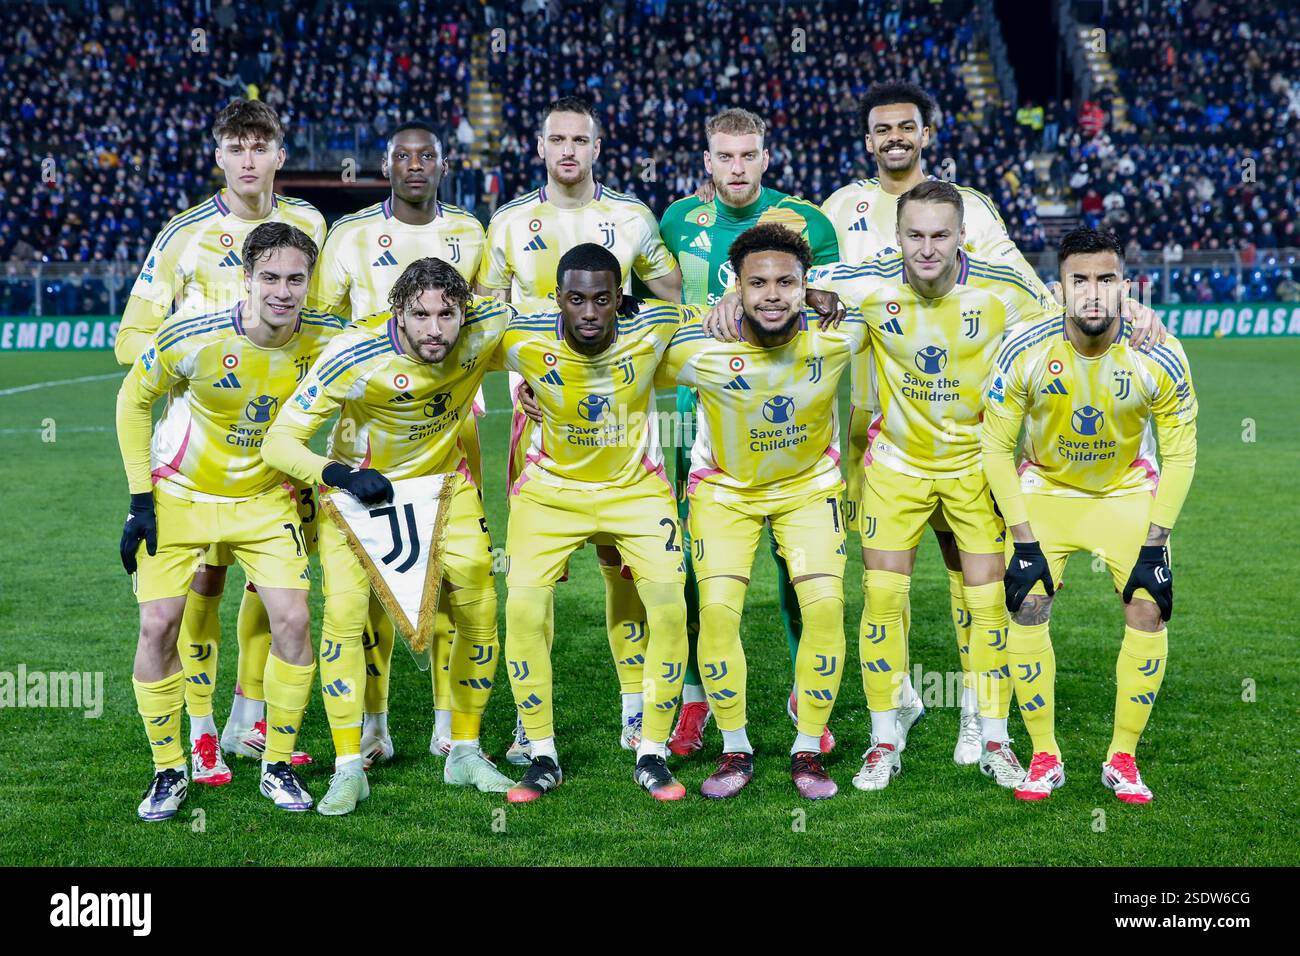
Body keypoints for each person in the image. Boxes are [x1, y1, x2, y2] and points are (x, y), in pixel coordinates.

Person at [115, 98, 326, 780]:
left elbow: (327, 333)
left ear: (279, 156)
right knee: (201, 582)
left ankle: (251, 716)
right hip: (200, 440)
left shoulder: (308, 225)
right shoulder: (183, 234)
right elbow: (130, 342)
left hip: (280, 449)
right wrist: (204, 344)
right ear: (218, 155)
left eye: (259, 147)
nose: (247, 160)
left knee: (276, 594)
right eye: (235, 147)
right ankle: (202, 732)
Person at [263, 258, 516, 815]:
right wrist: (343, 476)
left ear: (463, 313)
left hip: (445, 489)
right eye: (420, 315)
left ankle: (466, 751)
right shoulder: (355, 354)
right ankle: (349, 766)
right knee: (345, 622)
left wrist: (631, 306)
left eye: (447, 315)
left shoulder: (485, 328)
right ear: (396, 312)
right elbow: (279, 442)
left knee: (479, 607)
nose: (434, 329)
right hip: (359, 499)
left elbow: (559, 317)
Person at [477, 95, 683, 764]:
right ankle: (528, 723)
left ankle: (634, 712)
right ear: (540, 147)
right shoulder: (509, 222)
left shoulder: (631, 218)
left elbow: (669, 298)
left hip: (623, 417)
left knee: (624, 572)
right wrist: (521, 388)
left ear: (598, 149)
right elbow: (490, 319)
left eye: (580, 140)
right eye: (557, 138)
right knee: (531, 591)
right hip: (541, 416)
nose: (569, 149)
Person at [982, 228, 1197, 803]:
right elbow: (995, 450)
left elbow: (1180, 454)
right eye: (1081, 280)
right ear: (1061, 288)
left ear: (1126, 286)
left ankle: (1122, 757)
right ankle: (1044, 755)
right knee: (1026, 603)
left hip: (1124, 492)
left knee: (1150, 608)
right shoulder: (1024, 348)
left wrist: (1156, 544)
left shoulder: (1159, 352)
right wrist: (1023, 539)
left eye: (1106, 279)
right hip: (1046, 491)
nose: (1093, 293)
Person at [657, 107, 842, 757]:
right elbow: (654, 315)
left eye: (748, 155)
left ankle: (804, 690)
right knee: (691, 565)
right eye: (724, 156)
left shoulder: (807, 222)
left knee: (801, 565)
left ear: (766, 158)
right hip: (697, 412)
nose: (737, 167)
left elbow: (840, 303)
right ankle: (694, 697)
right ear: (706, 162)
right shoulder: (678, 221)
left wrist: (817, 293)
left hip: (788, 410)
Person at [307, 120, 487, 764]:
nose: (416, 166)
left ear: (444, 164)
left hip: (452, 422)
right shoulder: (349, 234)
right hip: (368, 425)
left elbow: (493, 315)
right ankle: (375, 726)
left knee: (450, 574)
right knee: (370, 589)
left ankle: (448, 723)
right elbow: (321, 325)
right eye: (403, 157)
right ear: (386, 165)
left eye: (427, 156)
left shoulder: (471, 232)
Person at [497, 244, 692, 802]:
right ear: (556, 297)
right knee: (523, 609)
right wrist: (521, 388)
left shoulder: (655, 322)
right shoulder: (522, 332)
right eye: (576, 299)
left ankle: (652, 750)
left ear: (620, 299)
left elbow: (725, 313)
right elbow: (453, 337)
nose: (588, 312)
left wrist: (815, 296)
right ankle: (540, 753)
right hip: (549, 493)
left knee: (670, 608)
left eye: (602, 300)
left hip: (635, 490)